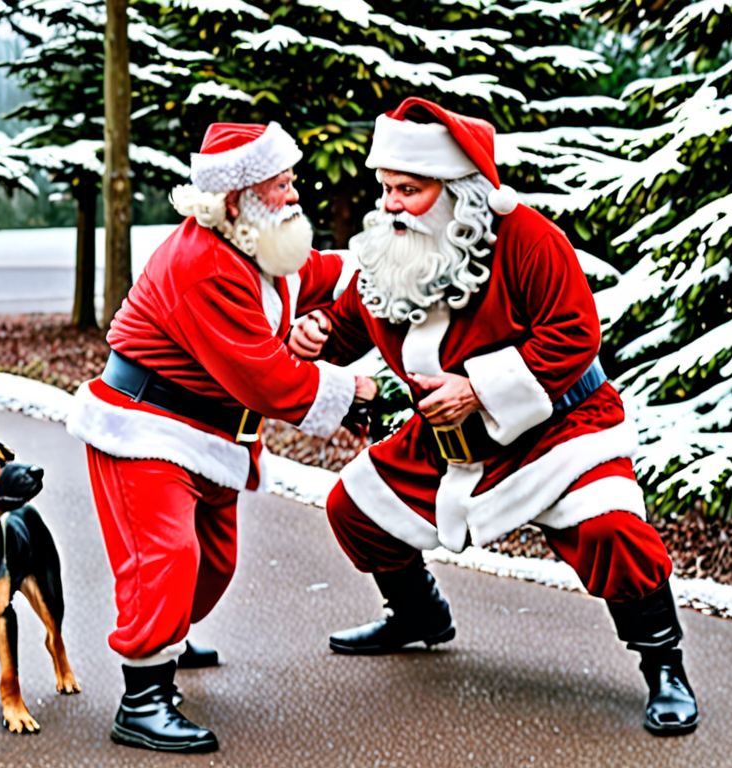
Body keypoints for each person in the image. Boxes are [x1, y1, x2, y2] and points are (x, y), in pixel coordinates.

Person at [289, 97, 699, 736]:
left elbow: (573, 336)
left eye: (411, 189)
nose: (393, 204)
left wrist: (479, 389)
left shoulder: (530, 239)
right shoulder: (387, 247)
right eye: (387, 188)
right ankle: (419, 615)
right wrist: (316, 333)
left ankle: (664, 665)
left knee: (613, 533)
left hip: (561, 424)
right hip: (450, 438)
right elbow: (353, 321)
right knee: (355, 510)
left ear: (458, 190)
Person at [66, 121, 371, 753]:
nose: (294, 195)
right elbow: (267, 378)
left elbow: (318, 273)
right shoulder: (202, 262)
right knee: (168, 558)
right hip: (145, 431)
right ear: (238, 200)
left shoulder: (259, 242)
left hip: (207, 436)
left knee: (215, 562)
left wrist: (381, 264)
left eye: (290, 182)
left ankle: (168, 635)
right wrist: (352, 391)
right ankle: (143, 699)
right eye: (281, 184)